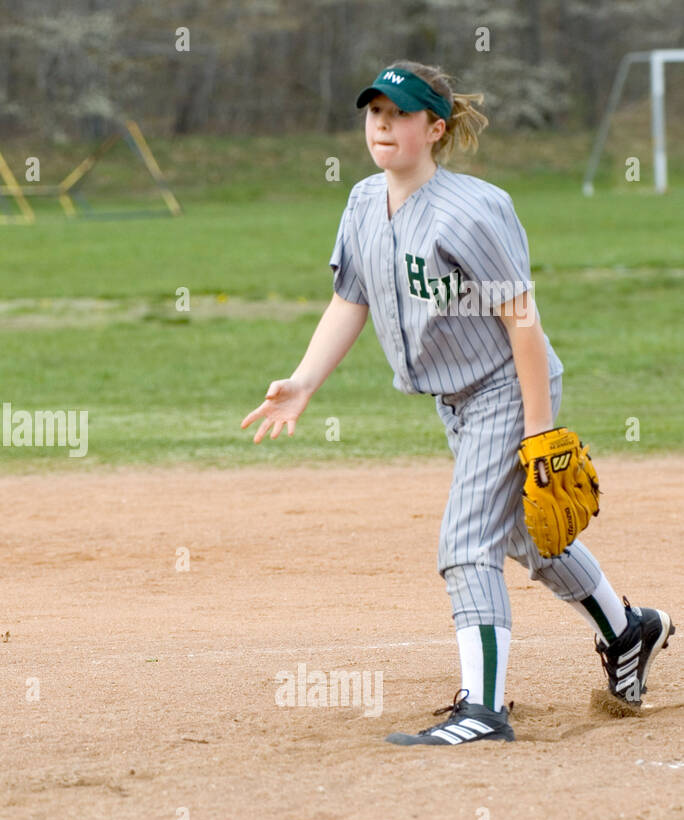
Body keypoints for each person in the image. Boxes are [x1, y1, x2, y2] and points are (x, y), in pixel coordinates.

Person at [241, 61, 674, 745]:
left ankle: (484, 710)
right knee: (525, 540)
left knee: (466, 544)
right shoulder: (360, 203)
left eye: (401, 114)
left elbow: (523, 323)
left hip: (507, 384)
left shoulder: (472, 211)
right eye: (374, 113)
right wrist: (304, 382)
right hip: (455, 398)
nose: (383, 126)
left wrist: (539, 436)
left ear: (434, 128)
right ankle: (628, 629)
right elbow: (349, 298)